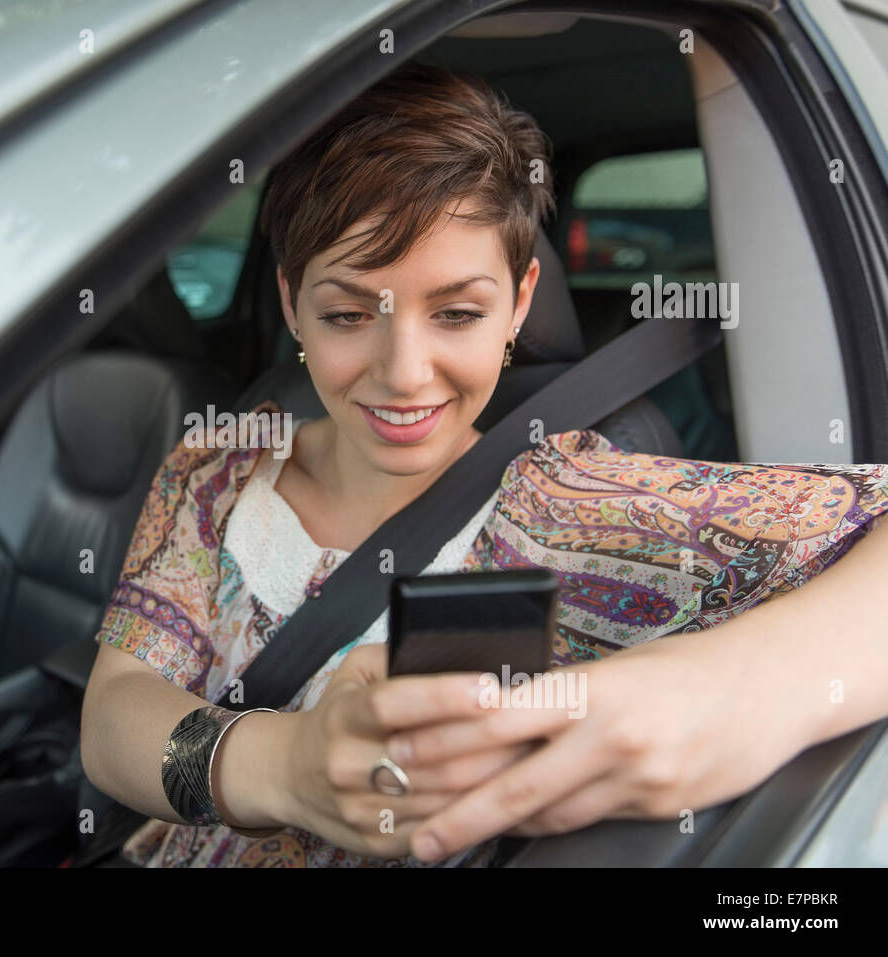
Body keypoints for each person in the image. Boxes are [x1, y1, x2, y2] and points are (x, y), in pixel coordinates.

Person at [79, 64, 888, 867]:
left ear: (520, 302)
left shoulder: (573, 503)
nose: (403, 372)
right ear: (291, 304)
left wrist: (715, 693)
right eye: (349, 313)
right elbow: (114, 712)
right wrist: (286, 765)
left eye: (458, 313)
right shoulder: (218, 466)